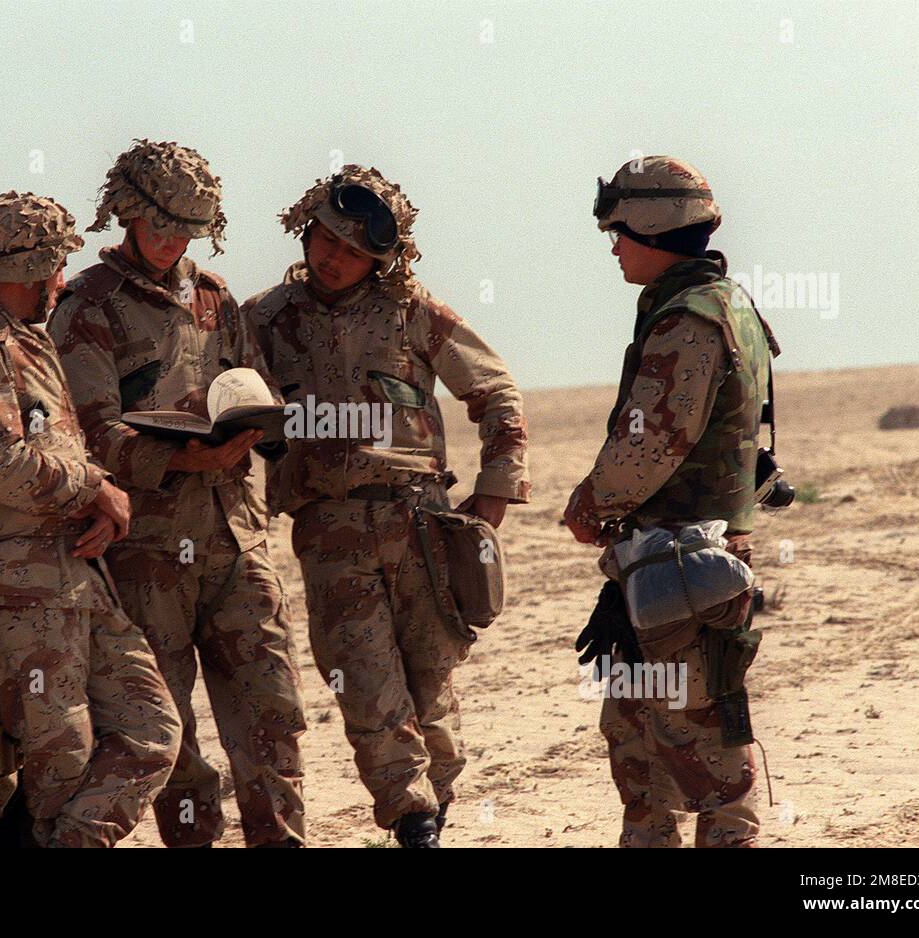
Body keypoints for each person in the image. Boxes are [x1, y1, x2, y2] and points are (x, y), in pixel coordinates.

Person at [242, 165, 530, 847]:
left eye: (355, 252)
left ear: (382, 258)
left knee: (430, 682)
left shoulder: (414, 311)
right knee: (366, 685)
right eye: (326, 242)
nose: (334, 260)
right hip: (329, 530)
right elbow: (226, 405)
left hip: (421, 523)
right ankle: (412, 817)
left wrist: (496, 487)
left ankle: (440, 799)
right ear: (305, 232)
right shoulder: (263, 321)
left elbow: (495, 394)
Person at [49, 141, 307, 847]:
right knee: (172, 724)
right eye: (159, 226)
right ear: (126, 215)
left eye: (187, 230)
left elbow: (253, 386)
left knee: (271, 708)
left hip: (236, 538)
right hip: (147, 551)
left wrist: (252, 426)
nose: (171, 243)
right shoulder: (87, 306)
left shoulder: (216, 299)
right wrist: (181, 457)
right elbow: (87, 432)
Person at [0, 190, 180, 847]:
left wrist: (100, 502)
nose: (63, 279)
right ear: (33, 267)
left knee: (152, 728)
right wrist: (92, 487)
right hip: (20, 591)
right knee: (62, 762)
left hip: (79, 577)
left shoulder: (25, 341)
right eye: (57, 265)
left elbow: (54, 449)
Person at [564, 156, 780, 848]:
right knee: (639, 744)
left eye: (620, 232)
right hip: (673, 566)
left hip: (682, 569)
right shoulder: (727, 306)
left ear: (653, 227)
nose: (614, 247)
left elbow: (655, 440)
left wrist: (591, 503)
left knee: (704, 752)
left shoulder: (688, 317)